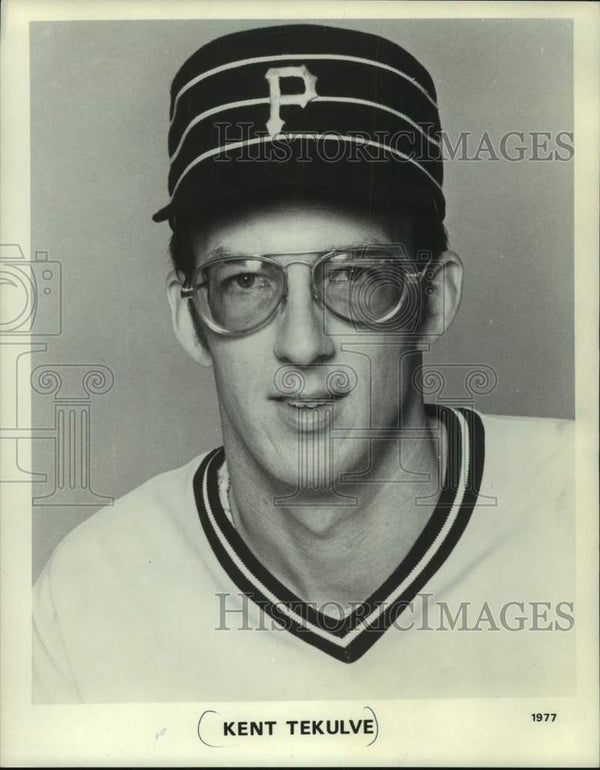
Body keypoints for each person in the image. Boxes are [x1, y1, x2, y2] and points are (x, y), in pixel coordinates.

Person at [33, 23, 575, 703]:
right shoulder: (90, 597)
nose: (301, 342)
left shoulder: (578, 513)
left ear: (432, 300)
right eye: (246, 282)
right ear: (187, 314)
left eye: (354, 277)